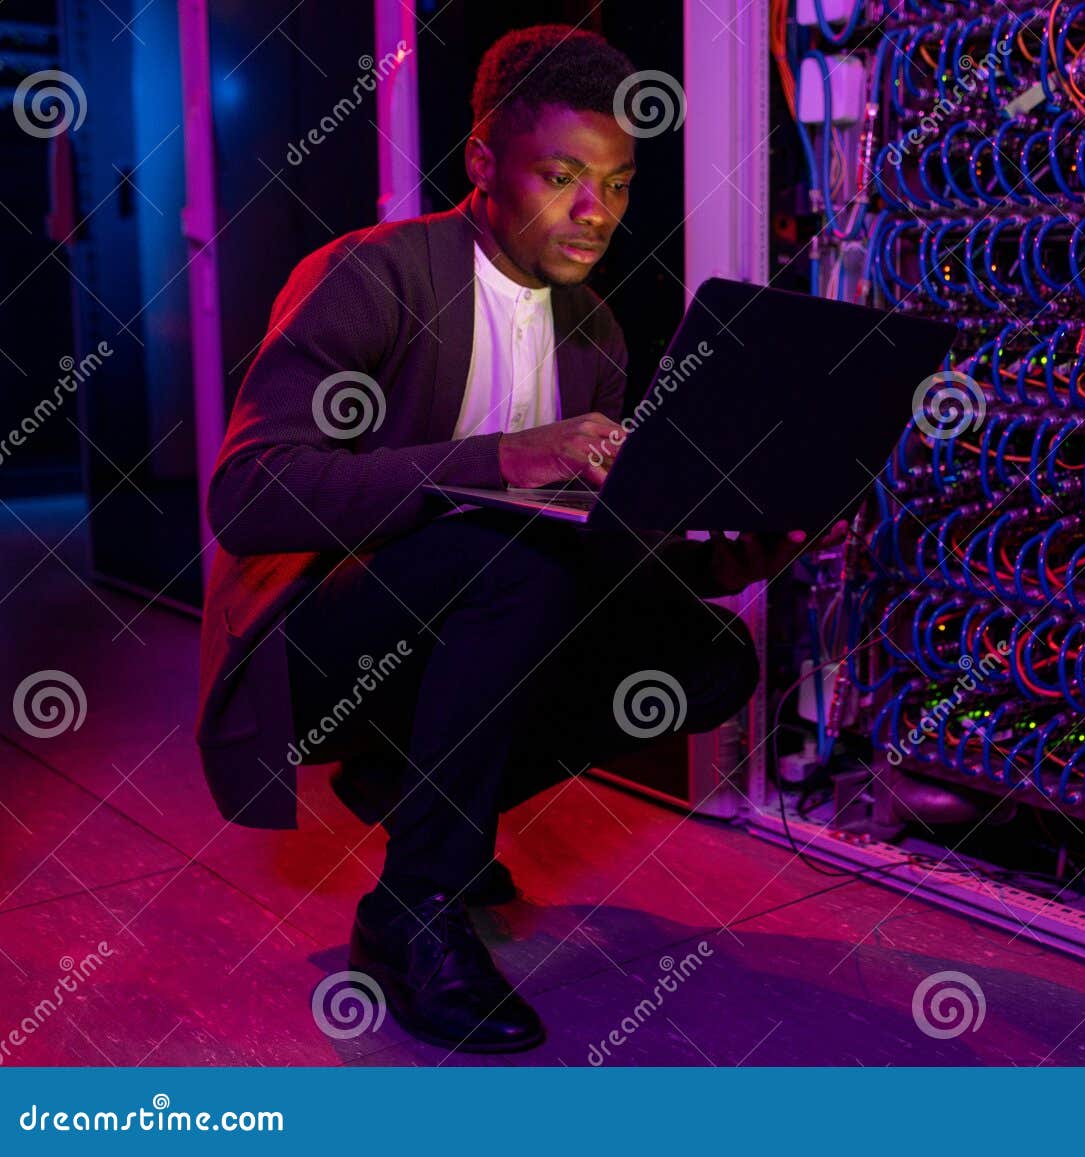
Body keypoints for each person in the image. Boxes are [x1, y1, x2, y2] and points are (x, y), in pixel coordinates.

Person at [194, 25, 822, 1053]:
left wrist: (724, 559)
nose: (596, 214)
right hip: (311, 640)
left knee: (708, 654)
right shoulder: (367, 274)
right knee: (514, 557)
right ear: (484, 163)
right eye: (563, 176)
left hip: (473, 616)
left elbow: (600, 545)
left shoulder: (596, 333)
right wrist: (501, 459)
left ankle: (412, 789)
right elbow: (251, 496)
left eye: (616, 184)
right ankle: (415, 909)